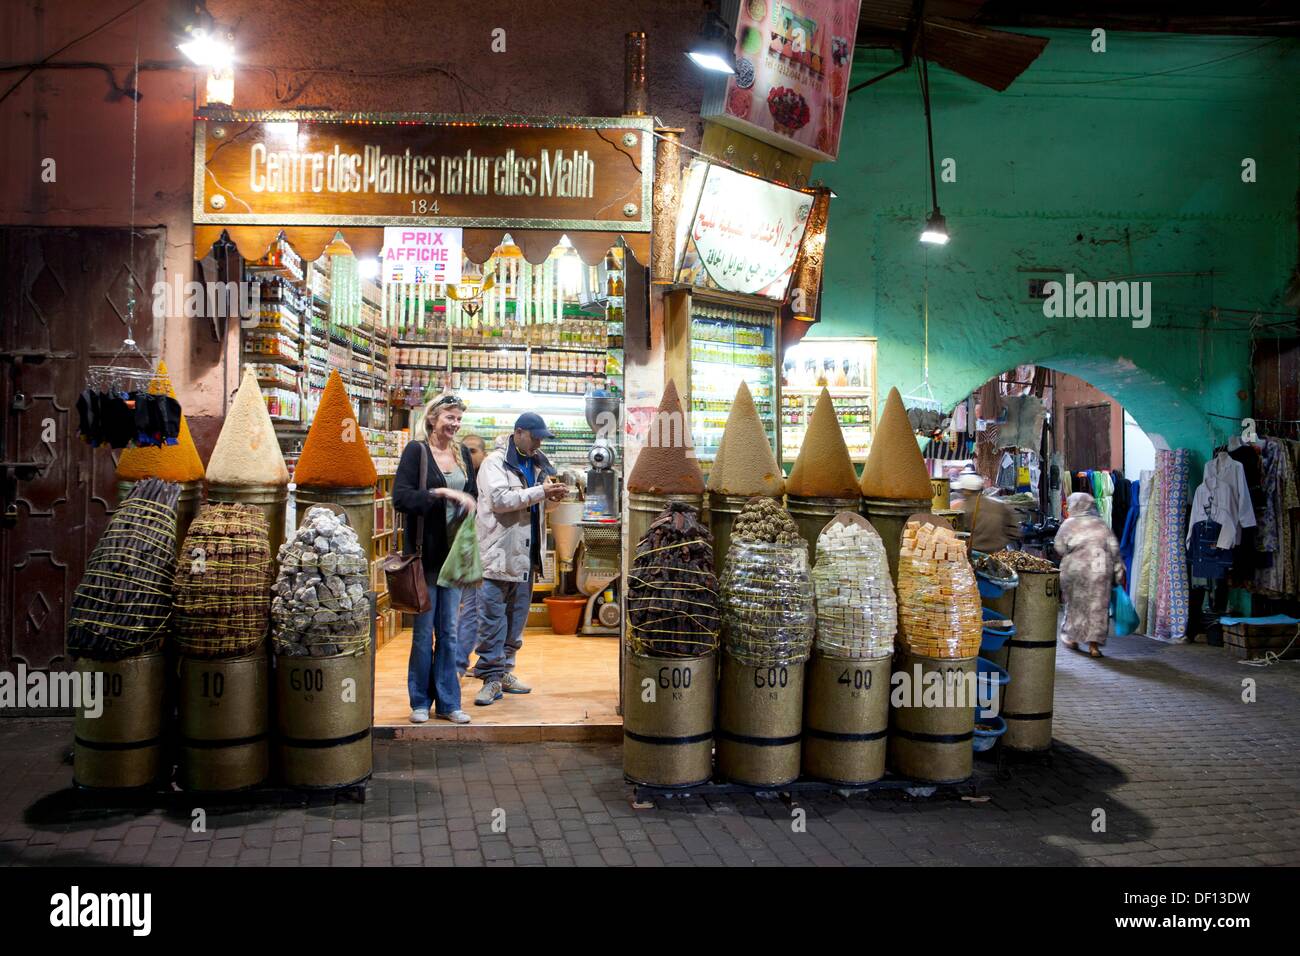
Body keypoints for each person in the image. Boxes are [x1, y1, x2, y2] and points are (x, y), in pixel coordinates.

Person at [471, 412, 568, 706]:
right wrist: (541, 491)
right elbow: (500, 502)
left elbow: (538, 508)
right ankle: (489, 678)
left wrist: (552, 498)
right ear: (519, 432)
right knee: (492, 622)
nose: (539, 442)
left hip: (526, 556)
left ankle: (505, 673)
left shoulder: (537, 464)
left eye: (542, 437)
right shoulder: (494, 464)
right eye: (535, 436)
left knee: (515, 622)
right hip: (497, 555)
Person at [393, 395, 478, 723]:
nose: (454, 424)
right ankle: (419, 701)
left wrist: (469, 501)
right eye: (449, 417)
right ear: (432, 418)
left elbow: (473, 495)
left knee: (450, 633)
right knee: (423, 631)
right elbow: (401, 497)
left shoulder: (464, 455)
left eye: (458, 419)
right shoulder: (417, 452)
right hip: (426, 556)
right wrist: (441, 494)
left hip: (455, 556)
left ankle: (448, 702)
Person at [1055, 491, 1124, 658]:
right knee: (1097, 609)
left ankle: (1073, 639)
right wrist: (1118, 570)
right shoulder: (1101, 524)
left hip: (1076, 572)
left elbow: (1059, 547)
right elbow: (1114, 548)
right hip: (1100, 571)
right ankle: (1094, 647)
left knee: (1075, 607)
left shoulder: (1069, 524)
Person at [454, 435, 488, 678]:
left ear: (483, 454)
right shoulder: (460, 480)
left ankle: (459, 663)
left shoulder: (487, 479)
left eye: (473, 450)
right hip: (460, 554)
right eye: (464, 450)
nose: (468, 455)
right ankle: (457, 663)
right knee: (467, 610)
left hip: (480, 554)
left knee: (473, 610)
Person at [951, 472, 1021, 553]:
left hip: (974, 554)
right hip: (999, 553)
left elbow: (957, 536)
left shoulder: (964, 509)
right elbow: (1014, 532)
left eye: (962, 490)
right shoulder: (1000, 505)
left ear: (967, 491)